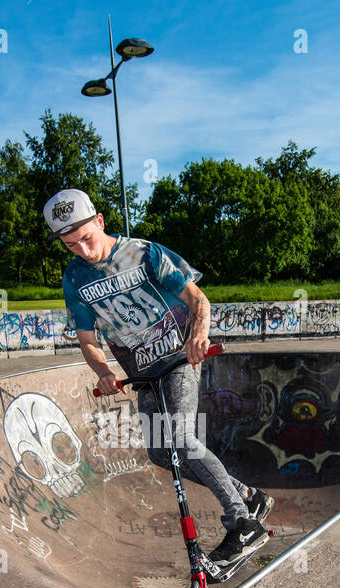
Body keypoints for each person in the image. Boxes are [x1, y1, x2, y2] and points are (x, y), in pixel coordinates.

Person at [47, 188, 273, 566]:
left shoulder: (144, 254)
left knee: (181, 440)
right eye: (71, 246)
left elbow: (198, 299)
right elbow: (88, 341)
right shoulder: (75, 280)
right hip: (143, 375)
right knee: (160, 454)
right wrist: (103, 371)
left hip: (179, 359)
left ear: (100, 222)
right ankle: (248, 496)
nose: (84, 251)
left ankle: (243, 525)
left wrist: (199, 335)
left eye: (87, 238)